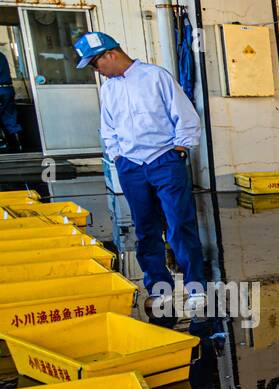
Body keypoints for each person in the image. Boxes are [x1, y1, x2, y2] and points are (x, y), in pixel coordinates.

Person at [75, 31, 207, 318]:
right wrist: (118, 156)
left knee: (179, 226)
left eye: (95, 65)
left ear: (110, 54)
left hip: (164, 161)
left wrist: (180, 151)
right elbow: (108, 128)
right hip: (131, 166)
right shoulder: (108, 89)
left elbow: (185, 116)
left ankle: (197, 289)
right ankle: (160, 289)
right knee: (145, 229)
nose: (96, 71)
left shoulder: (155, 77)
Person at [0, 50, 21, 152]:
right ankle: (18, 145)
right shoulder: (2, 55)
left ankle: (2, 143)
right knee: (9, 117)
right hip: (8, 89)